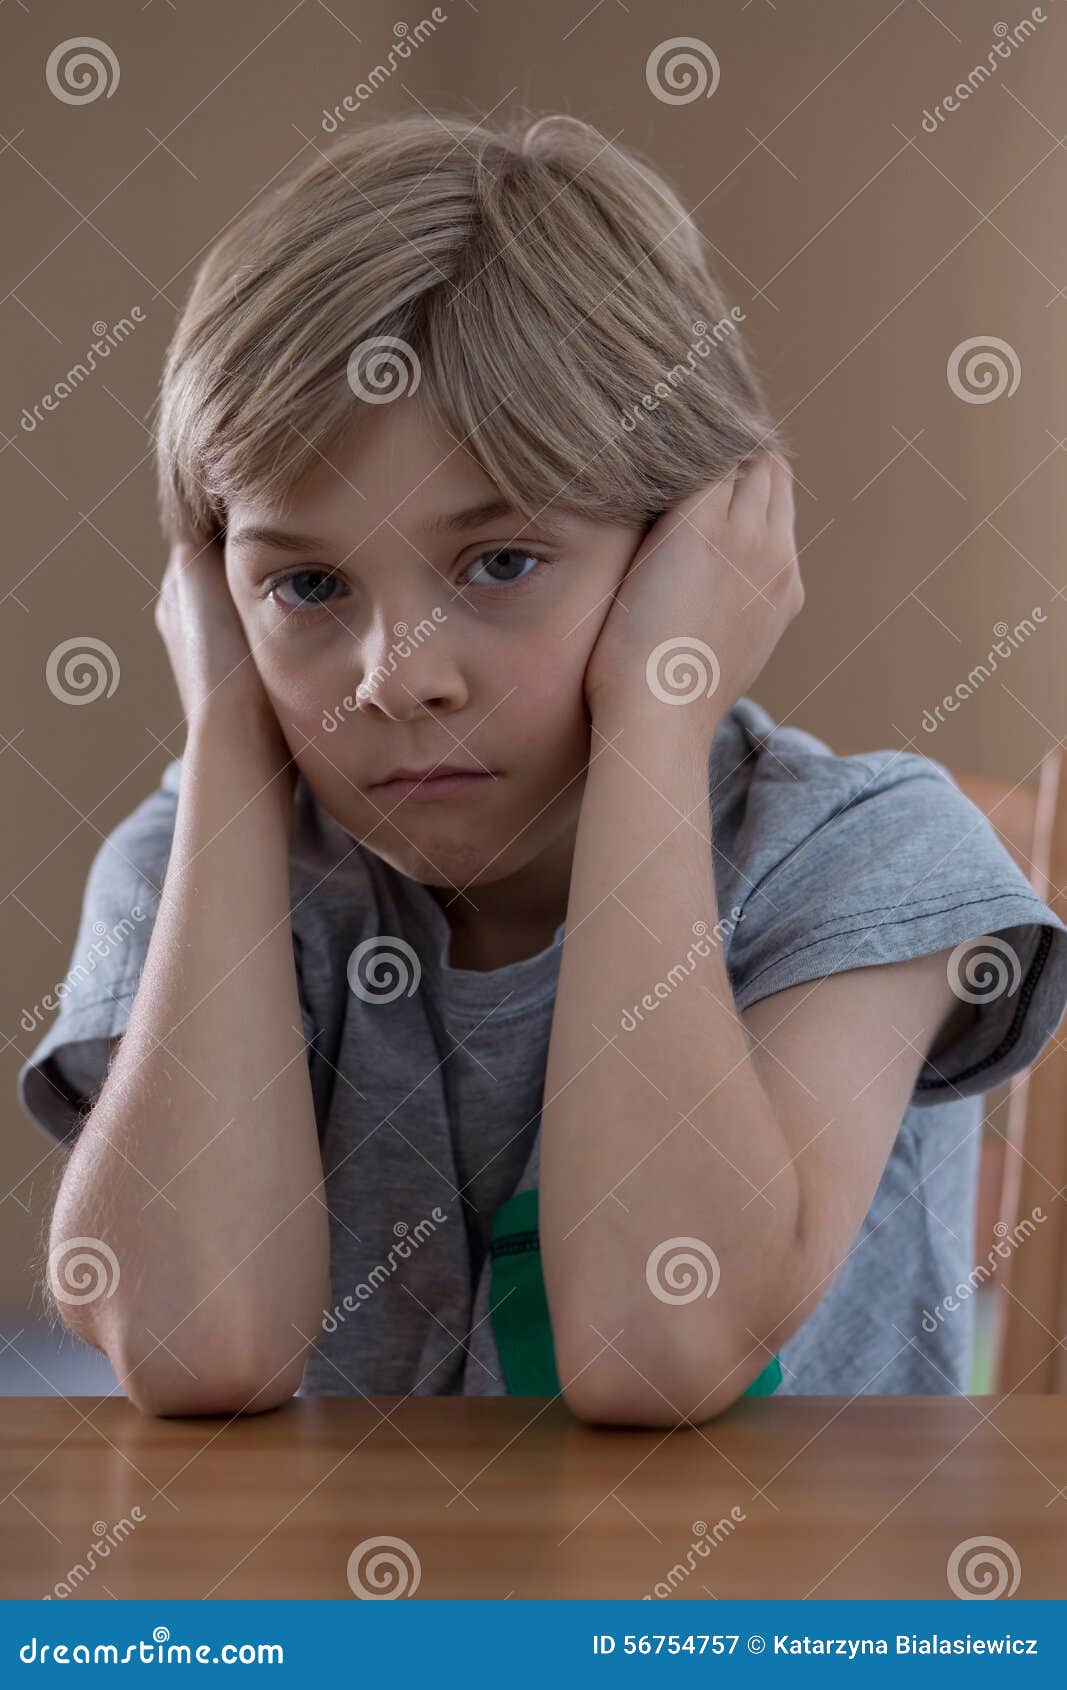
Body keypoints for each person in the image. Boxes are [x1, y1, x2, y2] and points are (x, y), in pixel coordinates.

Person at [17, 112, 1067, 1424]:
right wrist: (228, 739)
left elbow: (660, 1346)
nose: (397, 677)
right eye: (306, 583)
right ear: (213, 602)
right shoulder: (200, 868)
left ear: (700, 545)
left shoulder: (864, 862)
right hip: (363, 1638)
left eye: (500, 562)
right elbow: (197, 1339)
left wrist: (656, 715)